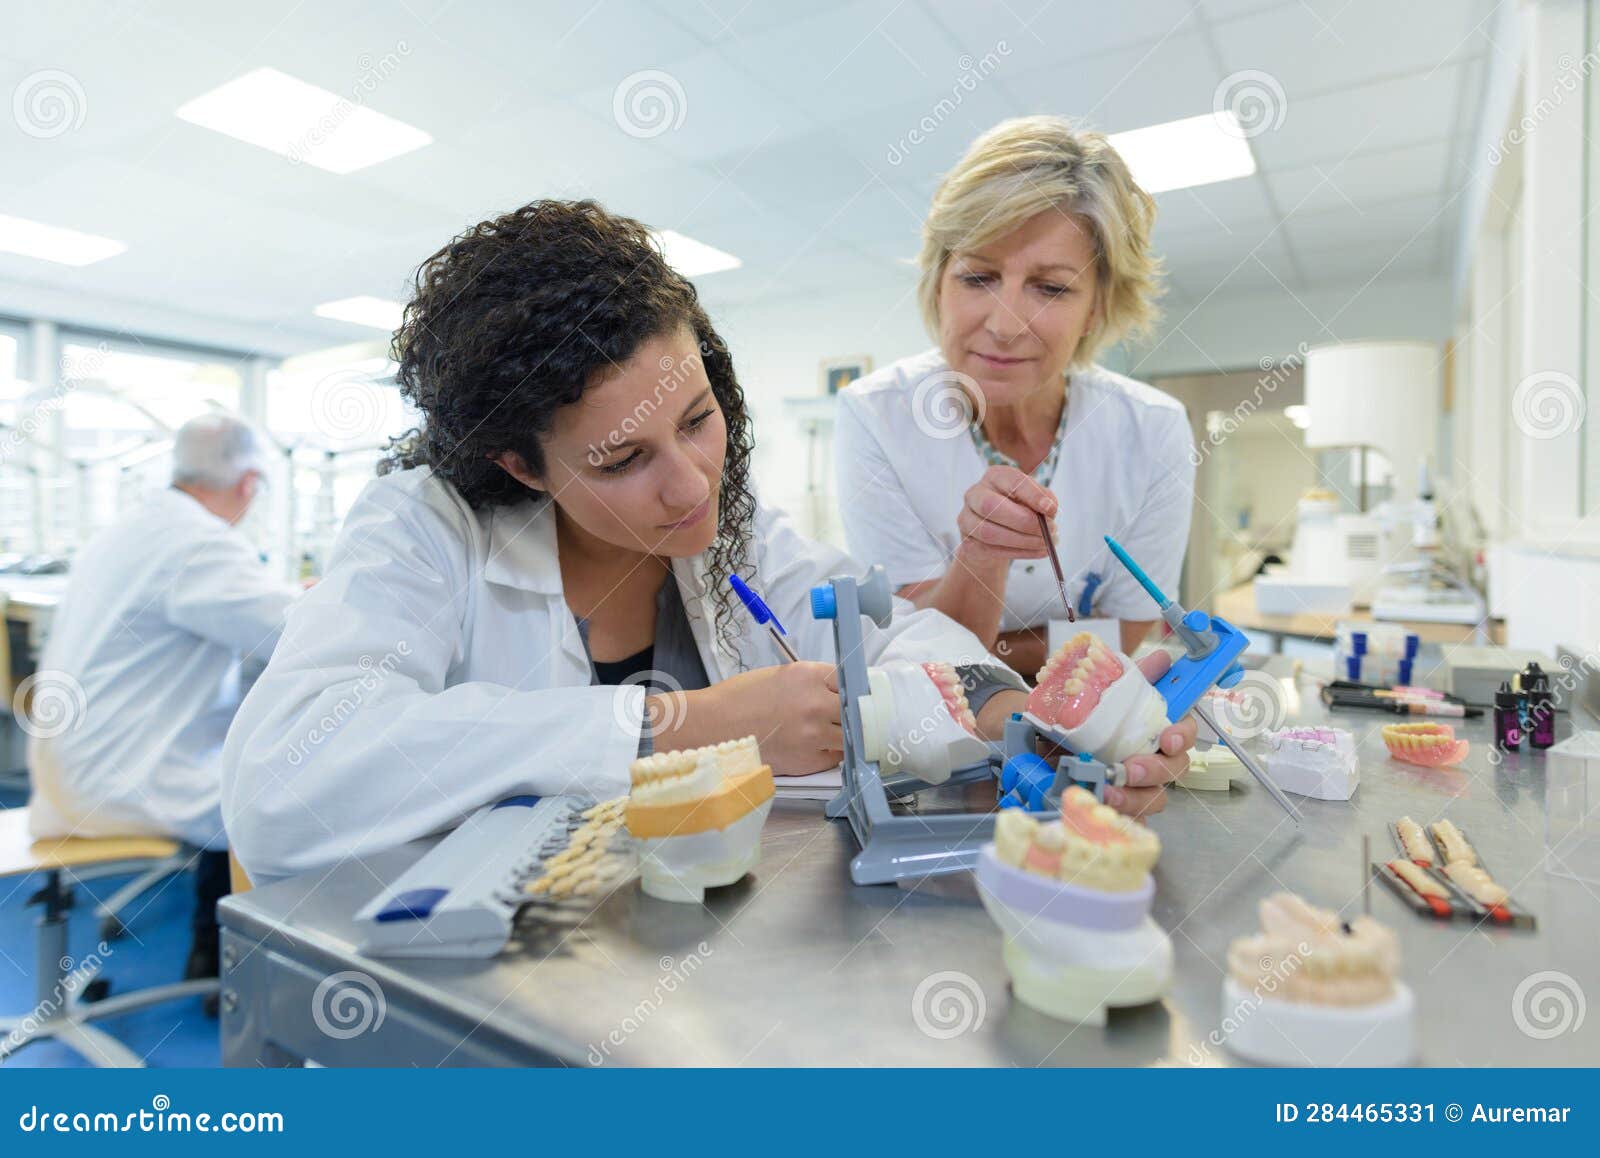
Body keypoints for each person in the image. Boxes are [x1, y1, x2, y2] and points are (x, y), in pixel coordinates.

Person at [220, 200, 1199, 884]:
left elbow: (896, 637)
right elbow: (280, 784)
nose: (689, 486)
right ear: (520, 465)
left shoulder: (731, 534)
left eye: (697, 418)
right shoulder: (423, 530)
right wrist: (685, 726)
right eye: (619, 460)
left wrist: (1039, 721)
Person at [834, 116, 1195, 679]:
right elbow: (918, 653)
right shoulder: (876, 415)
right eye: (978, 277)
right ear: (937, 282)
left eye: (1051, 288)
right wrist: (982, 561)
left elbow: (1128, 632)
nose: (1005, 325)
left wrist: (970, 631)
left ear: (1096, 308)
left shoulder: (1152, 429)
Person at [27, 413, 298, 984]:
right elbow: (289, 632)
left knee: (239, 763)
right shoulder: (200, 542)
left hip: (67, 771)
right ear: (249, 484)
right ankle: (232, 965)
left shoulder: (131, 528)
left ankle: (210, 944)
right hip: (123, 779)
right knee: (285, 788)